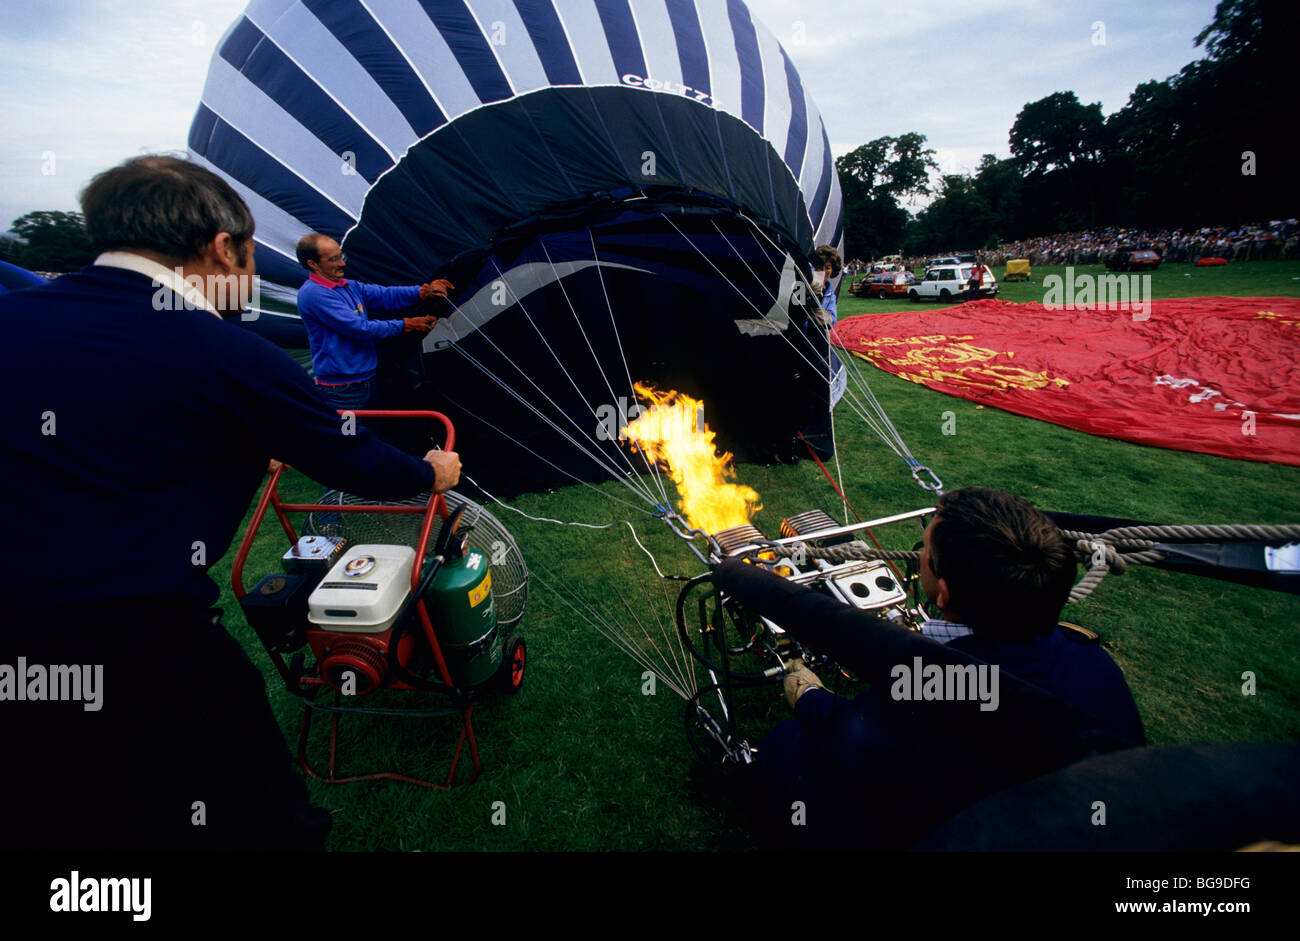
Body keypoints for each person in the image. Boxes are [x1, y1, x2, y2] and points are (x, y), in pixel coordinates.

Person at [0, 155, 462, 851]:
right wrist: (431, 472)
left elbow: (108, 431)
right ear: (223, 248)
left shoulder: (16, 316)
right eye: (249, 258)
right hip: (139, 654)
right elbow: (354, 457)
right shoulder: (225, 350)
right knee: (264, 822)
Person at [714, 487, 1144, 850]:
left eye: (926, 551)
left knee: (788, 743)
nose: (918, 554)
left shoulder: (927, 692)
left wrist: (808, 693)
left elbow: (848, 738)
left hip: (950, 826)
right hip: (1064, 825)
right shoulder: (1096, 662)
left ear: (945, 591)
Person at [296, 233, 452, 412]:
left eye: (341, 256)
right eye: (333, 259)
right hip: (343, 390)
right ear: (313, 264)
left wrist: (422, 292)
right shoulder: (314, 294)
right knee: (351, 437)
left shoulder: (346, 286)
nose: (342, 264)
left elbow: (384, 295)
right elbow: (359, 329)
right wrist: (406, 325)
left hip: (367, 379)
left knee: (374, 433)